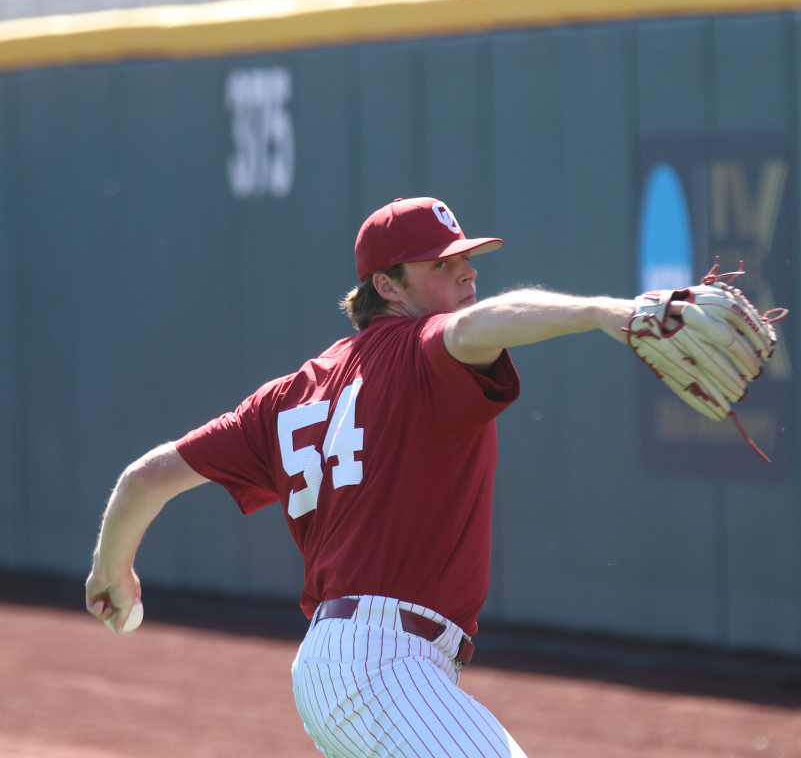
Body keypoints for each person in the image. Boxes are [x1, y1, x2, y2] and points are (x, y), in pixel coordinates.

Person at [85, 196, 645, 757]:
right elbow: (477, 326)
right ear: (389, 286)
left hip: (345, 663)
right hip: (382, 664)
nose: (467, 271)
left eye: (465, 259)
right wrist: (601, 312)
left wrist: (113, 570)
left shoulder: (284, 397)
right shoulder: (420, 348)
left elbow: (145, 477)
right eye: (441, 265)